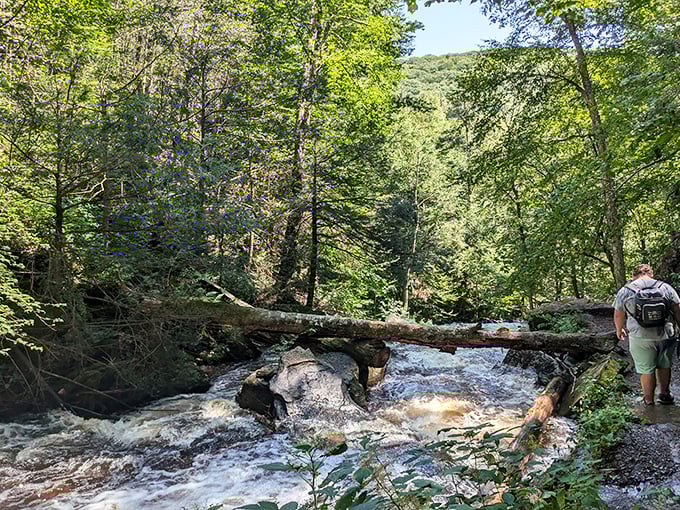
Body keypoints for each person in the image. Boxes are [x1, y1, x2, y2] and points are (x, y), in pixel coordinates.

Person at [614, 264, 680, 405]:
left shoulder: (625, 291)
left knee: (646, 369)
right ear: (651, 274)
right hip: (666, 334)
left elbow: (618, 314)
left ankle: (648, 400)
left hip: (640, 336)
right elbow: (677, 309)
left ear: (633, 276)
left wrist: (619, 330)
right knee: (664, 364)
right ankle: (664, 394)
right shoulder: (665, 287)